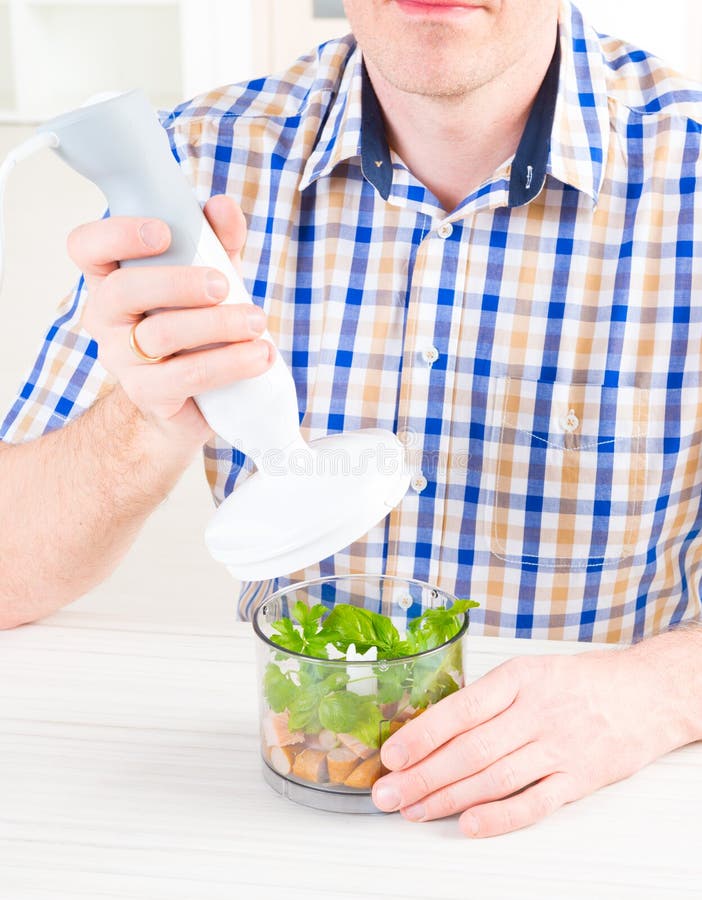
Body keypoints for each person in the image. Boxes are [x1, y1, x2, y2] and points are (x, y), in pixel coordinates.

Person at [1, 0, 701, 837]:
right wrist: (150, 416)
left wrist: (660, 693)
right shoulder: (193, 164)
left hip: (589, 815)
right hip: (286, 793)